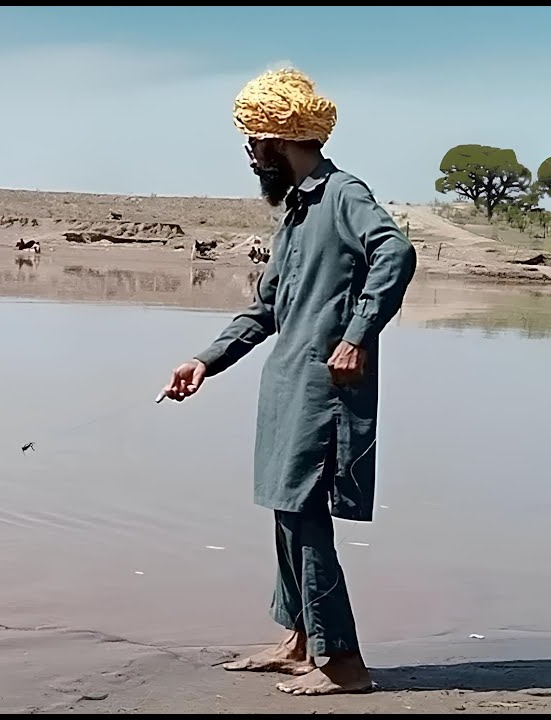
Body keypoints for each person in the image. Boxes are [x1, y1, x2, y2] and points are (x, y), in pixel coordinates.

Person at [161, 68, 417, 697]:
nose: (249, 155)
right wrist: (205, 361)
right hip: (285, 385)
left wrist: (357, 335)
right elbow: (266, 309)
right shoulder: (297, 212)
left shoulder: (342, 194)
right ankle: (300, 640)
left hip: (324, 386)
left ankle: (343, 662)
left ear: (277, 140)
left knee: (304, 512)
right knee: (284, 506)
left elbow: (396, 253)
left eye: (253, 143)